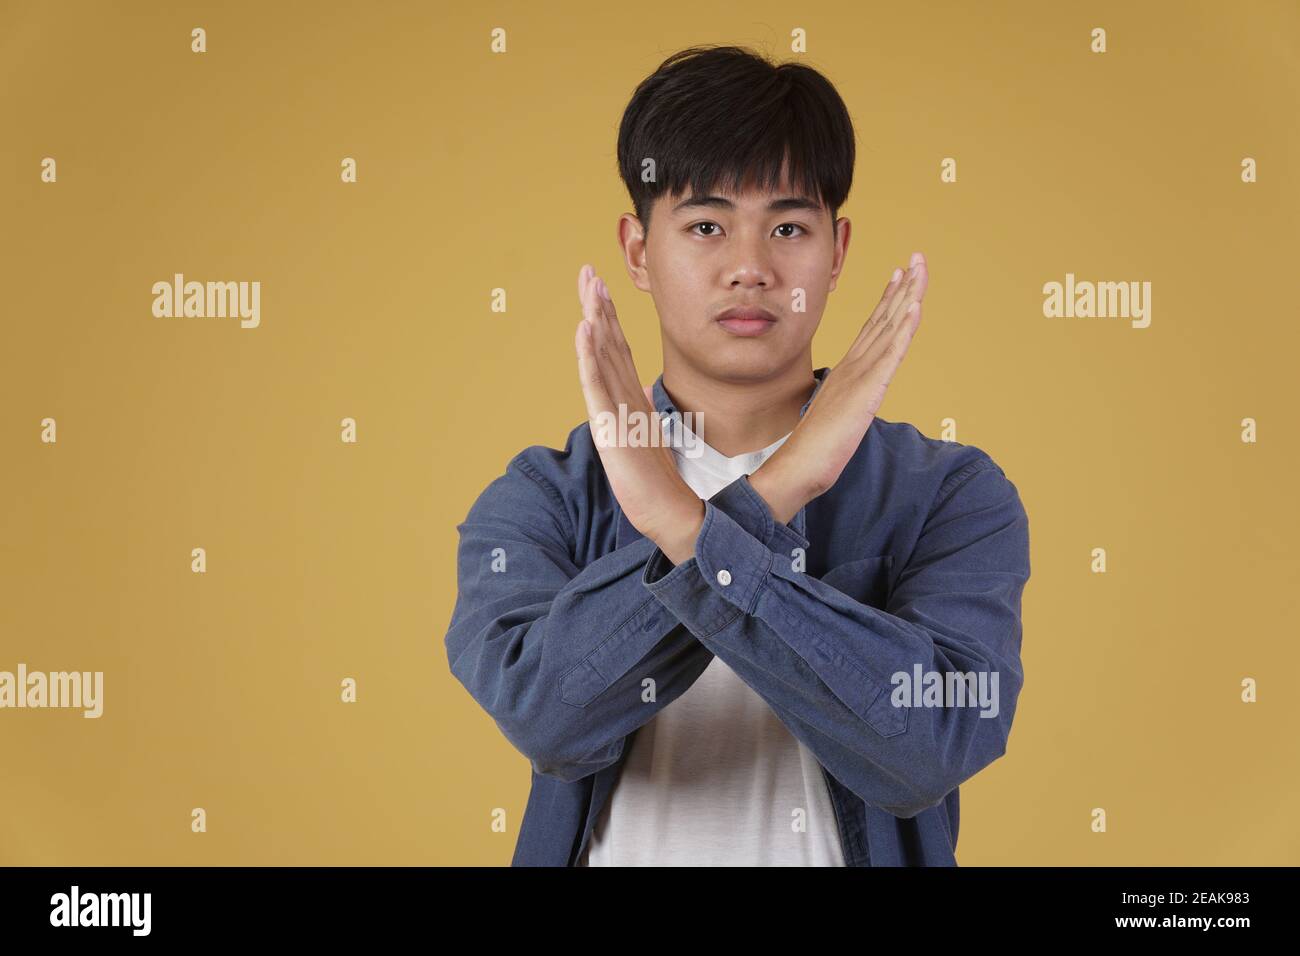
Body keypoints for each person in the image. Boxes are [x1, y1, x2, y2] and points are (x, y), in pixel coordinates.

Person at [444, 44, 1031, 866]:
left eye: (788, 227)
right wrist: (778, 490)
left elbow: (927, 750)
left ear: (837, 251)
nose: (750, 268)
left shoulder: (948, 493)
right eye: (707, 226)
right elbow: (548, 720)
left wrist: (689, 530)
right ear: (639, 251)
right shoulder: (546, 495)